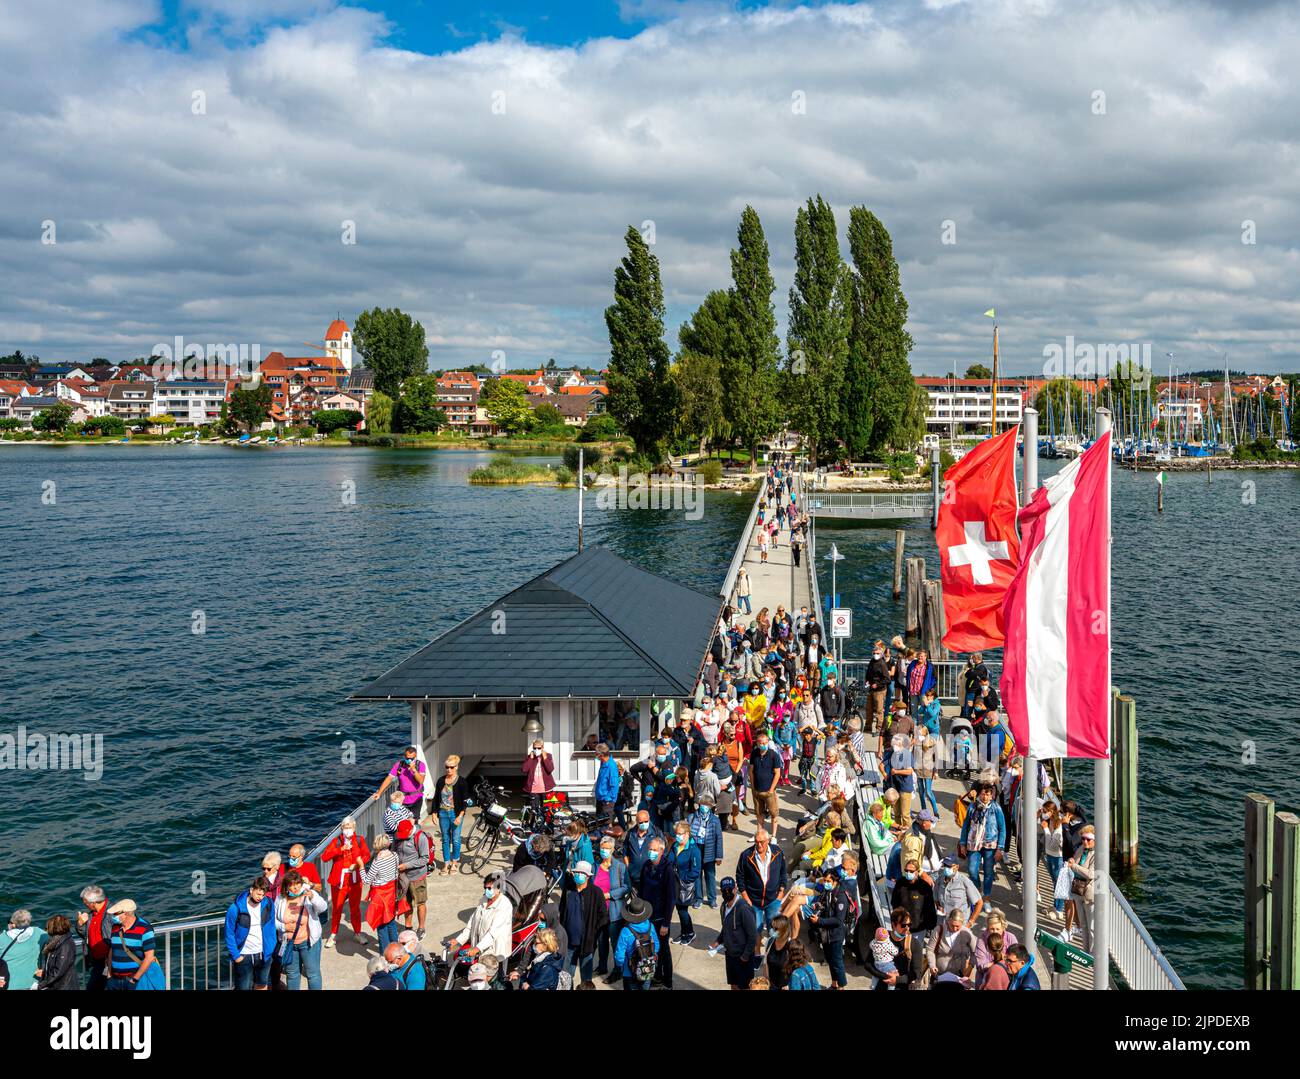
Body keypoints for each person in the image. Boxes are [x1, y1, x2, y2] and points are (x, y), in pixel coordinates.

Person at [447, 871, 513, 975]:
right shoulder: (484, 899)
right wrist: (458, 940)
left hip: (495, 952)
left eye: (490, 888)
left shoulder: (504, 906)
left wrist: (477, 948)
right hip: (480, 948)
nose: (487, 891)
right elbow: (471, 923)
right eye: (485, 888)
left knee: (494, 978)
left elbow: (493, 934)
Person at [736, 828, 787, 962]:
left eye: (762, 842)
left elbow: (783, 872)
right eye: (757, 842)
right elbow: (740, 877)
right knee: (755, 929)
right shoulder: (746, 855)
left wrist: (781, 892)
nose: (759, 845)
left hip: (773, 900)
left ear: (768, 841)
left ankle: (773, 954)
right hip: (754, 901)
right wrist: (746, 897)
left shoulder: (778, 852)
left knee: (775, 929)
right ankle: (757, 953)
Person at [276, 869, 329, 990]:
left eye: (297, 884)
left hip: (308, 943)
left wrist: (312, 898)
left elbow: (323, 907)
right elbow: (273, 920)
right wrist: (284, 927)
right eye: (291, 885)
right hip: (289, 944)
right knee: (292, 975)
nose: (295, 888)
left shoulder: (308, 893)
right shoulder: (280, 899)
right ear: (286, 886)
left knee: (313, 974)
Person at [321, 817, 369, 946]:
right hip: (339, 880)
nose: (347, 829)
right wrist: (339, 850)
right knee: (337, 907)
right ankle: (333, 934)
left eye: (349, 827)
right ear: (341, 829)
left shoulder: (359, 840)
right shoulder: (336, 841)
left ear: (354, 827)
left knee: (355, 908)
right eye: (345, 827)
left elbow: (366, 855)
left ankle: (358, 933)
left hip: (354, 879)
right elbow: (324, 857)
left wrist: (359, 865)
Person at [638, 837, 678, 988]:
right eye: (650, 849)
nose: (651, 852)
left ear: (662, 851)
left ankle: (668, 982)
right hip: (647, 916)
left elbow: (671, 899)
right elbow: (641, 891)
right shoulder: (647, 866)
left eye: (655, 850)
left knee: (664, 950)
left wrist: (666, 923)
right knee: (651, 948)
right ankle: (657, 976)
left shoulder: (667, 869)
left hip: (661, 917)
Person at [561, 859, 609, 984]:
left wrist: (593, 933)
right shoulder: (568, 890)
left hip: (587, 943)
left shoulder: (596, 892)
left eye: (581, 873)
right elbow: (562, 913)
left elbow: (604, 916)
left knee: (586, 979)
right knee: (566, 976)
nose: (578, 875)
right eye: (576, 873)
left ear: (588, 876)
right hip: (569, 942)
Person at [225, 878, 277, 990]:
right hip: (244, 954)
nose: (260, 898)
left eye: (263, 895)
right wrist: (236, 956)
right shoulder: (235, 908)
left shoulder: (268, 904)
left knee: (262, 984)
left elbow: (272, 925)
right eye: (258, 894)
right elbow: (229, 933)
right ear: (251, 890)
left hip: (264, 953)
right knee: (243, 987)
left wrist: (271, 946)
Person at [958, 781, 1006, 898]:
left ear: (991, 795)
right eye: (983, 794)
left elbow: (1002, 828)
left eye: (987, 794)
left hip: (990, 845)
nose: (985, 797)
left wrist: (1000, 848)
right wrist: (963, 843)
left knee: (988, 872)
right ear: (979, 794)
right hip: (973, 844)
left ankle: (987, 897)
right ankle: (978, 889)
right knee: (972, 870)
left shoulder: (996, 808)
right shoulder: (972, 807)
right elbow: (965, 825)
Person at [593, 835, 630, 982]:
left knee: (616, 944)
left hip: (614, 913)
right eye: (603, 848)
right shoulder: (596, 866)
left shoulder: (620, 866)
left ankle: (618, 969)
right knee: (601, 942)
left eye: (607, 848)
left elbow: (627, 887)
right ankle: (602, 966)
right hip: (599, 912)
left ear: (613, 849)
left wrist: (609, 895)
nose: (604, 851)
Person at [104, 900, 164, 990]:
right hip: (115, 979)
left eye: (116, 914)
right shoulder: (115, 928)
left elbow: (149, 957)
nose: (113, 917)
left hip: (135, 981)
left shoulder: (145, 928)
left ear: (125, 914)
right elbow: (112, 950)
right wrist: (109, 975)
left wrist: (134, 980)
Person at [809, 867, 851, 989]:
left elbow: (838, 920)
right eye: (825, 881)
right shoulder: (827, 892)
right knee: (829, 959)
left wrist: (819, 921)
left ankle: (841, 986)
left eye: (828, 881)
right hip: (826, 933)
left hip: (836, 934)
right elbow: (823, 903)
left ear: (835, 881)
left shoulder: (841, 896)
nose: (826, 883)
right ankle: (834, 984)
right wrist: (817, 905)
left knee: (837, 962)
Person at [394, 818, 432, 940]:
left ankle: (421, 928)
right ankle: (408, 928)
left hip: (417, 877)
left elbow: (424, 859)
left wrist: (406, 865)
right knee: (406, 903)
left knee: (420, 903)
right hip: (403, 877)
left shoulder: (420, 838)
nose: (402, 838)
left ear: (411, 830)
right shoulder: (398, 835)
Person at [362, 833, 402, 950]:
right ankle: (396, 949)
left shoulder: (377, 862)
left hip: (379, 894)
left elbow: (366, 880)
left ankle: (385, 953)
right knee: (390, 921)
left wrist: (360, 867)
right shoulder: (394, 855)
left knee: (381, 924)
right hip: (391, 891)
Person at [718, 876, 758, 990]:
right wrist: (718, 941)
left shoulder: (744, 909)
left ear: (735, 889)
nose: (727, 892)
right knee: (734, 986)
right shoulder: (723, 907)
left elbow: (752, 935)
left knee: (745, 987)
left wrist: (745, 956)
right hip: (730, 955)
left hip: (743, 957)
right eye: (724, 890)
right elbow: (725, 927)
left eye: (729, 890)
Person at [433, 754, 469, 875]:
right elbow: (436, 798)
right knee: (445, 839)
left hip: (455, 813)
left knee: (456, 839)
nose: (449, 769)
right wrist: (434, 813)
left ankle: (454, 863)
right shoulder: (440, 781)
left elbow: (466, 801)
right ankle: (446, 863)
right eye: (447, 767)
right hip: (443, 812)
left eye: (452, 767)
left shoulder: (462, 782)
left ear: (457, 767)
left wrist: (460, 815)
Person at [613, 896, 659, 990]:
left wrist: (620, 966)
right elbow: (656, 946)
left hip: (629, 972)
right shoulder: (651, 926)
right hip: (647, 968)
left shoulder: (625, 931)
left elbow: (619, 955)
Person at [688, 793, 724, 908]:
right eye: (703, 804)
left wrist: (719, 856)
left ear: (711, 806)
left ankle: (712, 899)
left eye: (707, 805)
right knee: (697, 874)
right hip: (696, 848)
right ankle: (698, 898)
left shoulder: (714, 820)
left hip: (709, 851)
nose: (705, 806)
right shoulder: (692, 817)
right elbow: (687, 835)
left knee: (710, 875)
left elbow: (719, 838)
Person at [669, 821, 702, 945]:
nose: (677, 836)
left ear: (687, 834)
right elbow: (670, 860)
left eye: (680, 834)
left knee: (683, 910)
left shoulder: (694, 851)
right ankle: (684, 932)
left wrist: (681, 877)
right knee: (679, 910)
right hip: (674, 884)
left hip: (684, 886)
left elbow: (695, 872)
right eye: (676, 833)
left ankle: (689, 933)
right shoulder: (675, 846)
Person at [376, 745, 427, 825]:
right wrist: (379, 793)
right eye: (407, 758)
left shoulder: (420, 765)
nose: (409, 760)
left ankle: (414, 836)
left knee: (414, 822)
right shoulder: (399, 765)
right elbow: (389, 778)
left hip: (417, 799)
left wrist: (413, 770)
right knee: (402, 823)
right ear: (404, 756)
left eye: (412, 758)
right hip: (402, 800)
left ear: (415, 757)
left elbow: (421, 781)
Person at [1065, 825, 1097, 947]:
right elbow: (1074, 862)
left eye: (1088, 839)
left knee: (1092, 928)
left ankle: (1093, 956)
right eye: (1083, 838)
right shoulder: (1081, 849)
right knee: (1083, 925)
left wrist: (1074, 866)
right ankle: (1086, 952)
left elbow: (1091, 874)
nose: (1085, 841)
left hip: (1089, 894)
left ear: (1094, 840)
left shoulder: (1097, 855)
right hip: (1077, 891)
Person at [75, 885, 112, 990]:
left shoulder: (112, 913)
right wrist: (80, 923)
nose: (84, 904)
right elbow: (84, 934)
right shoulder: (91, 915)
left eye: (85, 902)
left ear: (93, 903)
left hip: (110, 961)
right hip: (97, 962)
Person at [927, 909, 976, 984]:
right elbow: (930, 949)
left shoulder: (967, 933)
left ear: (962, 924)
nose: (954, 929)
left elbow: (975, 951)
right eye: (952, 925)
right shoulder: (939, 930)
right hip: (940, 975)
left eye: (957, 926)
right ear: (948, 921)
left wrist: (970, 967)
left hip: (959, 976)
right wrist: (932, 965)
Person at [933, 855, 984, 928]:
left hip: (959, 927)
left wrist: (970, 923)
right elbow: (936, 898)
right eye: (945, 865)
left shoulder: (964, 881)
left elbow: (979, 903)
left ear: (957, 867)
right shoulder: (940, 879)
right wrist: (939, 907)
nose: (946, 868)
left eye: (949, 866)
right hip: (943, 924)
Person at [749, 730, 782, 839]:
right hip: (757, 791)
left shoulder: (774, 755)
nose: (762, 745)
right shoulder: (754, 753)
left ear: (768, 742)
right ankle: (759, 834)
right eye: (760, 743)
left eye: (764, 743)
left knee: (774, 814)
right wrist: (753, 788)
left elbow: (777, 773)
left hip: (769, 791)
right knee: (759, 814)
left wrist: (771, 790)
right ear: (757, 743)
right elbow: (751, 771)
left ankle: (773, 836)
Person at [34, 915, 77, 990]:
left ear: (54, 928)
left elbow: (58, 971)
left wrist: (40, 985)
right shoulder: (57, 942)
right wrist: (45, 972)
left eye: (47, 928)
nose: (46, 930)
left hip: (63, 986)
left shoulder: (65, 945)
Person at [1040, 801, 1066, 918]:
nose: (1043, 814)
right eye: (1042, 811)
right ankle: (1055, 905)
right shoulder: (1049, 821)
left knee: (1058, 882)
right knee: (1054, 881)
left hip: (1057, 857)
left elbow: (1053, 845)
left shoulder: (1058, 825)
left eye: (1045, 811)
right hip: (1049, 854)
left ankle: (1059, 909)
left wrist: (1045, 829)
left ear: (1051, 812)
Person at [624, 809, 662, 889]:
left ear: (649, 819)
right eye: (641, 822)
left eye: (646, 821)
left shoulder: (656, 833)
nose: (644, 824)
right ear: (637, 822)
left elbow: (663, 852)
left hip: (651, 877)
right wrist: (629, 867)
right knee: (636, 901)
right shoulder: (631, 834)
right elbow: (625, 853)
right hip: (634, 878)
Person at [521, 739, 556, 818]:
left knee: (548, 810)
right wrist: (531, 758)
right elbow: (524, 769)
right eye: (535, 748)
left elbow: (550, 769)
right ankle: (534, 827)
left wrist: (545, 758)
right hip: (533, 789)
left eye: (539, 748)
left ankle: (547, 827)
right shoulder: (530, 756)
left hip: (547, 788)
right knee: (534, 811)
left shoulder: (548, 755)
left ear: (542, 747)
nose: (536, 750)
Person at [594, 743, 620, 825]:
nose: (596, 756)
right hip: (600, 798)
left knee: (606, 824)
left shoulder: (611, 766)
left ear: (601, 755)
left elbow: (614, 785)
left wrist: (609, 800)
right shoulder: (603, 763)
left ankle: (608, 837)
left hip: (607, 801)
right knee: (599, 823)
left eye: (596, 754)